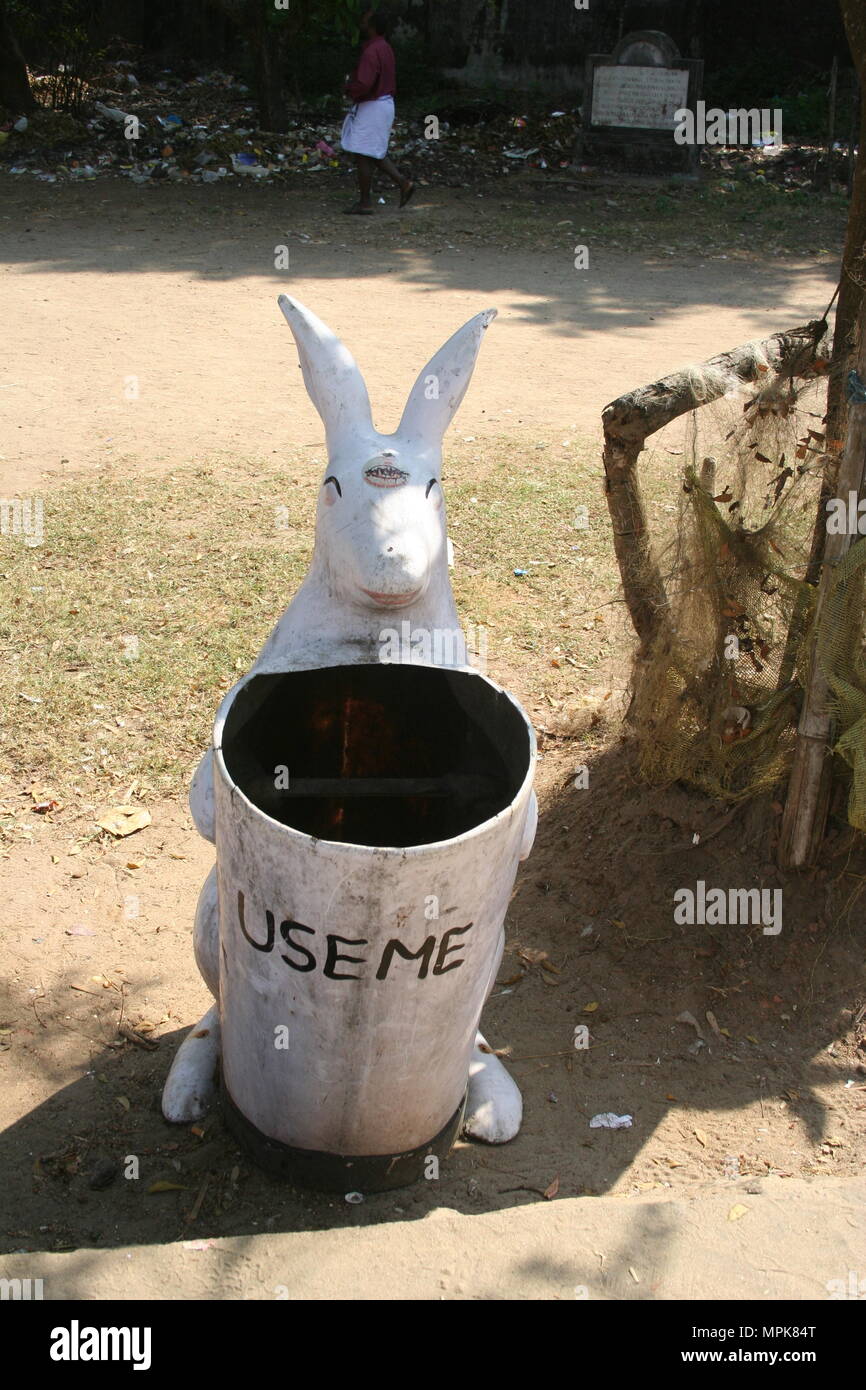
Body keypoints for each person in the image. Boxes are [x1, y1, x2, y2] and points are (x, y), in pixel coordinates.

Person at [340, 8, 414, 214]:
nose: (361, 25)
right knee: (372, 151)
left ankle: (365, 202)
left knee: (363, 154)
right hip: (384, 103)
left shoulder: (371, 51)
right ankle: (403, 183)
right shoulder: (384, 47)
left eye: (364, 22)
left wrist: (348, 89)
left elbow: (364, 83)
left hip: (372, 104)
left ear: (371, 26)